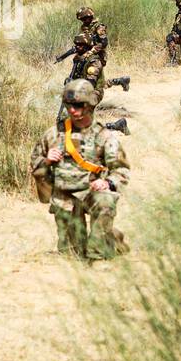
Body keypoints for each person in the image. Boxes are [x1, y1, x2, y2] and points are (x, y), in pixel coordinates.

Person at [30, 79, 131, 260]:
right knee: (73, 254)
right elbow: (34, 163)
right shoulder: (53, 134)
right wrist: (46, 160)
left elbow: (121, 170)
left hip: (93, 193)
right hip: (65, 199)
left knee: (99, 247)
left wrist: (107, 182)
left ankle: (105, 244)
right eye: (69, 105)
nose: (73, 110)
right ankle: (107, 240)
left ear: (89, 105)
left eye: (78, 105)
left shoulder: (103, 136)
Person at [59, 32, 130, 134]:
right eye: (76, 45)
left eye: (80, 45)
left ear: (86, 46)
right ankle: (117, 126)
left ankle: (115, 126)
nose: (77, 47)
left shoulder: (93, 62)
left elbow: (89, 85)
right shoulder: (79, 59)